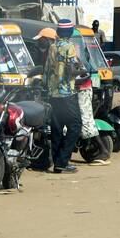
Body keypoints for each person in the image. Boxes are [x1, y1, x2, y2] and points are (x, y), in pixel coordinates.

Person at [42, 19, 84, 174]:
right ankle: (62, 161)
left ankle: (57, 162)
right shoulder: (70, 47)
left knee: (57, 129)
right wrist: (81, 69)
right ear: (70, 32)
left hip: (53, 94)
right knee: (76, 125)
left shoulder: (52, 47)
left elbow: (46, 71)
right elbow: (73, 69)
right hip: (67, 93)